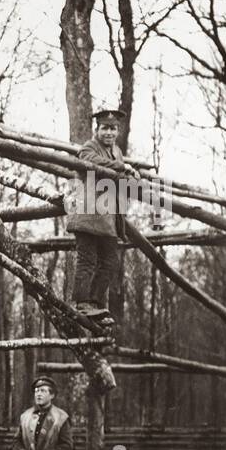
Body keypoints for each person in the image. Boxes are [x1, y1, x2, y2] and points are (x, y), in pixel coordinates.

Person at [66, 107, 140, 329]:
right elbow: (90, 161)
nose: (109, 132)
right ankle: (82, 303)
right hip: (89, 215)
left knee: (110, 262)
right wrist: (123, 167)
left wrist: (132, 173)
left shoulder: (116, 151)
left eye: (113, 129)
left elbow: (120, 174)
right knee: (87, 260)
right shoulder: (89, 148)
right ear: (97, 129)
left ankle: (96, 304)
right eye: (105, 128)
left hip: (108, 220)